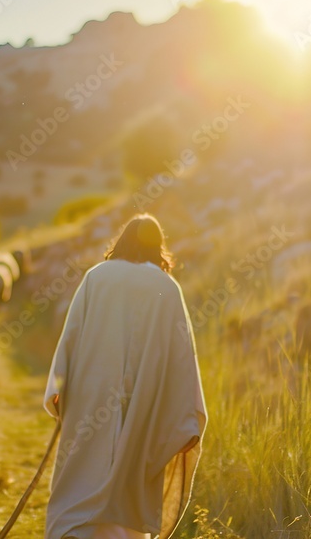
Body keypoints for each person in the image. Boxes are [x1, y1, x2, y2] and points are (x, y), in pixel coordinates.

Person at [44, 214, 208, 539]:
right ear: (157, 246)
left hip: (90, 396)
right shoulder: (166, 287)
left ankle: (75, 532)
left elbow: (70, 338)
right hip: (145, 401)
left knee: (82, 468)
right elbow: (182, 355)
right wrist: (187, 418)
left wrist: (58, 389)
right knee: (132, 470)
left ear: (123, 240)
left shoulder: (96, 277)